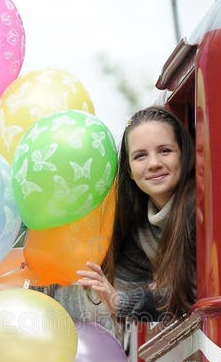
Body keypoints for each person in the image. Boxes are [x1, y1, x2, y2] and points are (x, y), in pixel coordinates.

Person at [76, 105, 195, 322]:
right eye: (140, 156)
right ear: (129, 170)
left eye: (165, 151)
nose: (154, 164)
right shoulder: (138, 227)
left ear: (184, 154)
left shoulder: (198, 210)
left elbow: (192, 293)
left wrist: (121, 301)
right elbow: (120, 292)